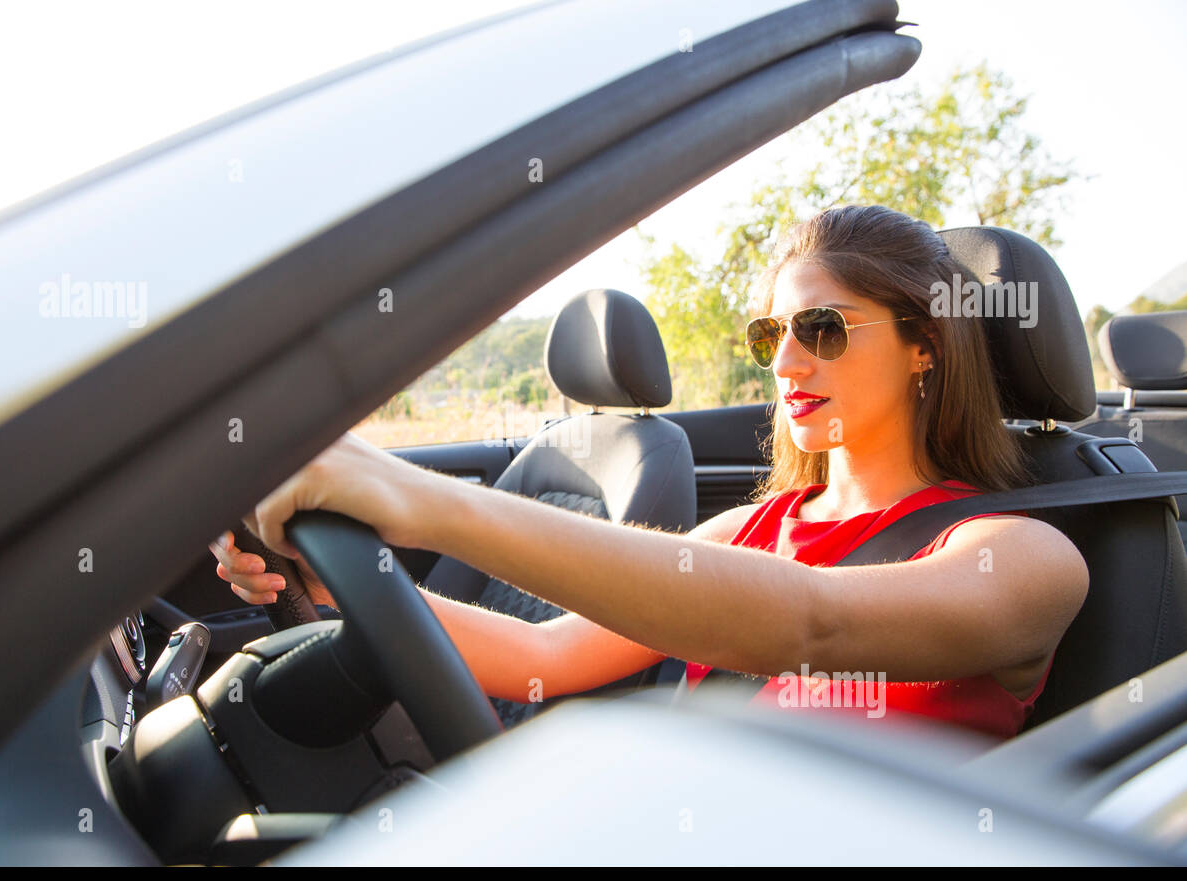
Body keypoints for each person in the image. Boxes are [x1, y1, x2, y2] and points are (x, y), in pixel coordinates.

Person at [210, 205, 1089, 739]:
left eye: (820, 329)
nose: (783, 366)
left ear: (922, 347)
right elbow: (540, 656)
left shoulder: (1022, 558)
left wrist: (421, 501)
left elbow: (813, 625)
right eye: (767, 337)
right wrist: (330, 581)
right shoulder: (750, 529)